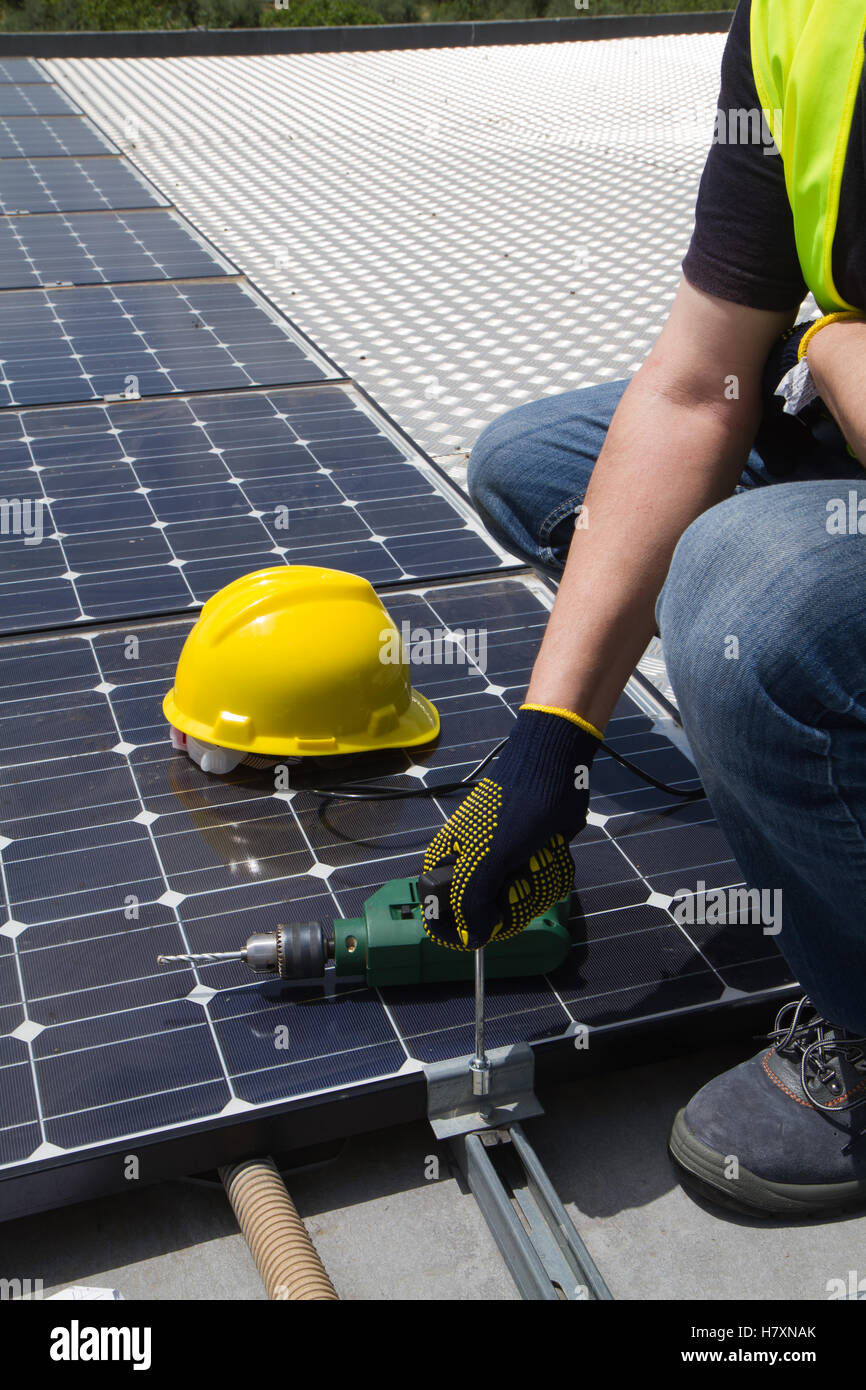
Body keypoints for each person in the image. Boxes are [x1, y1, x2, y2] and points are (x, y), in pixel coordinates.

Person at [420, 0, 866, 1218]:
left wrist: (826, 335)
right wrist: (548, 740)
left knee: (740, 587)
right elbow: (693, 380)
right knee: (538, 462)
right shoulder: (800, 17)